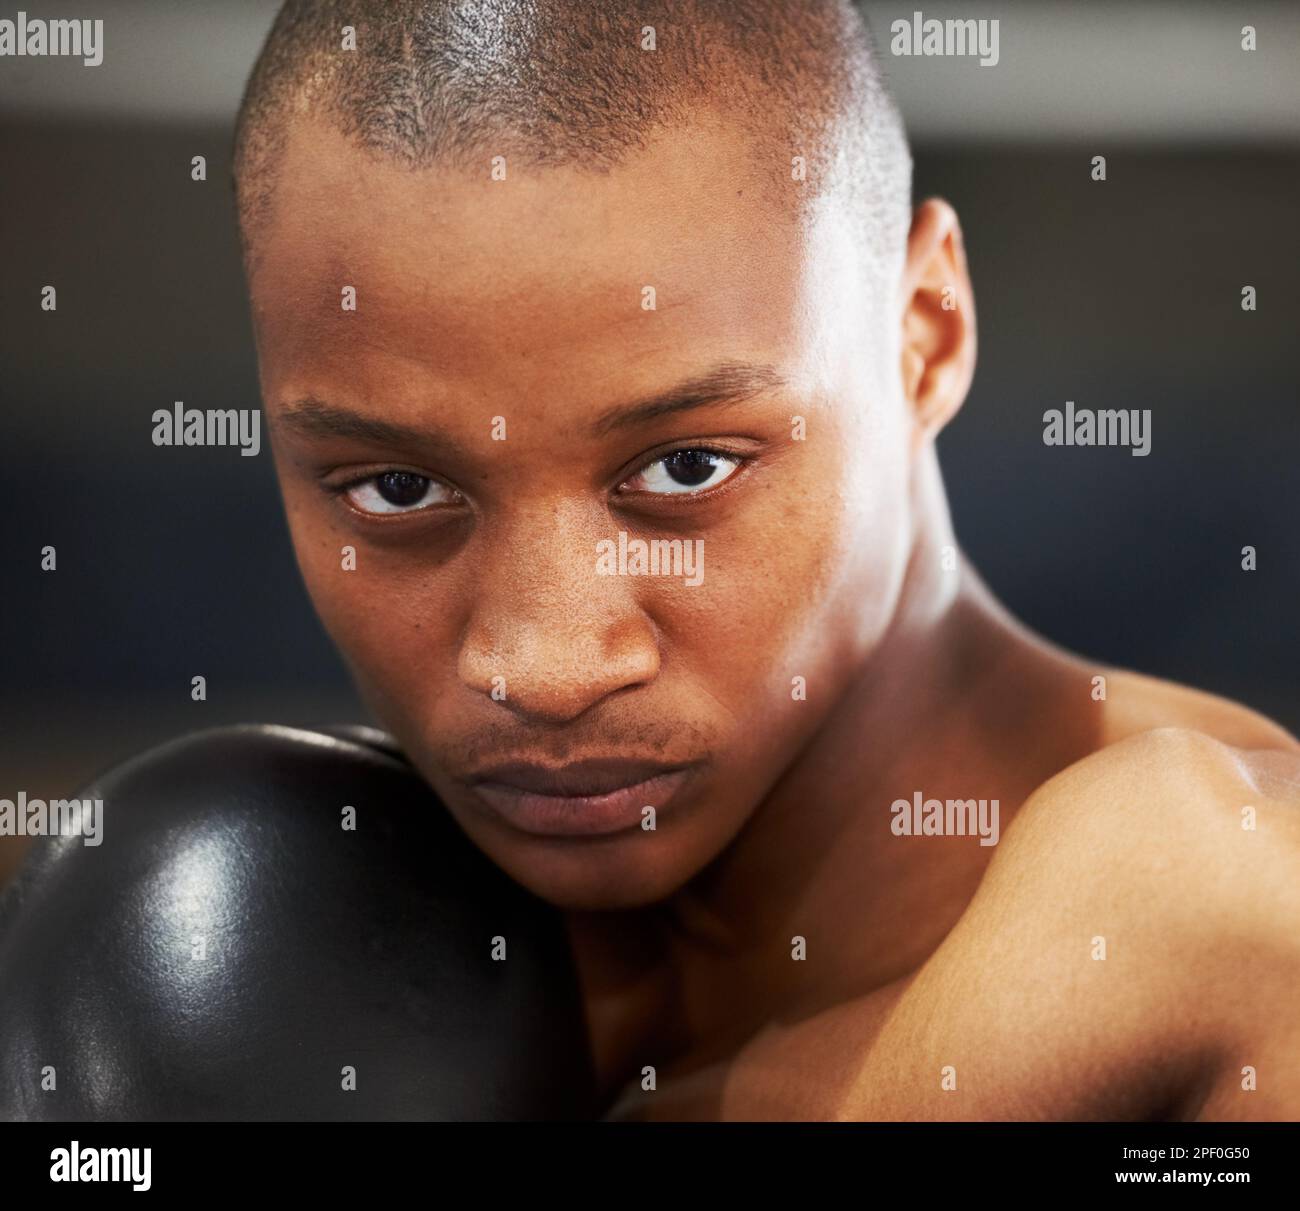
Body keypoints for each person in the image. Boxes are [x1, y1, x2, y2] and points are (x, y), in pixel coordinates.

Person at [4, 0, 1298, 1122]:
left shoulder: (1211, 895)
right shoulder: (283, 971)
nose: (546, 666)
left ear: (923, 336)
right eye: (398, 490)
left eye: (685, 471)